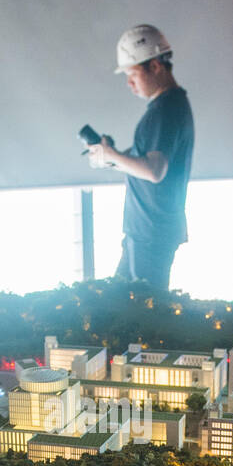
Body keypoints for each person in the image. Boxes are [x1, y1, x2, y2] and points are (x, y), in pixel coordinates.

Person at [85, 25, 194, 291]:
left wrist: (111, 155)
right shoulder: (170, 106)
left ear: (155, 66)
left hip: (150, 234)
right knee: (123, 304)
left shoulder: (164, 111)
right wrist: (114, 157)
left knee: (143, 315)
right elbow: (146, 165)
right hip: (147, 232)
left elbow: (154, 171)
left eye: (133, 74)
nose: (129, 83)